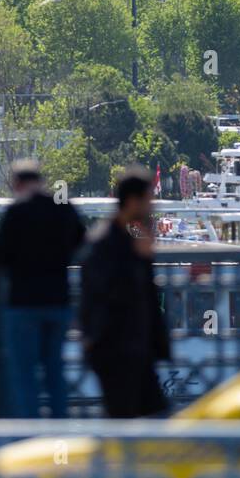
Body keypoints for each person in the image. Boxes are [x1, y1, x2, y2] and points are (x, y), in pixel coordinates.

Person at [0, 159, 85, 417]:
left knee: (25, 373)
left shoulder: (16, 212)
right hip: (58, 301)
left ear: (17, 184)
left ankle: (30, 432)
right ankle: (59, 429)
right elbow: (81, 241)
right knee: (55, 368)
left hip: (23, 303)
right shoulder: (63, 208)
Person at [80, 166, 170, 418]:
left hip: (137, 349)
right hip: (116, 351)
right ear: (132, 201)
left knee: (150, 417)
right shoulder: (105, 243)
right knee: (126, 422)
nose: (151, 206)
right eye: (148, 200)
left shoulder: (130, 235)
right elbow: (108, 294)